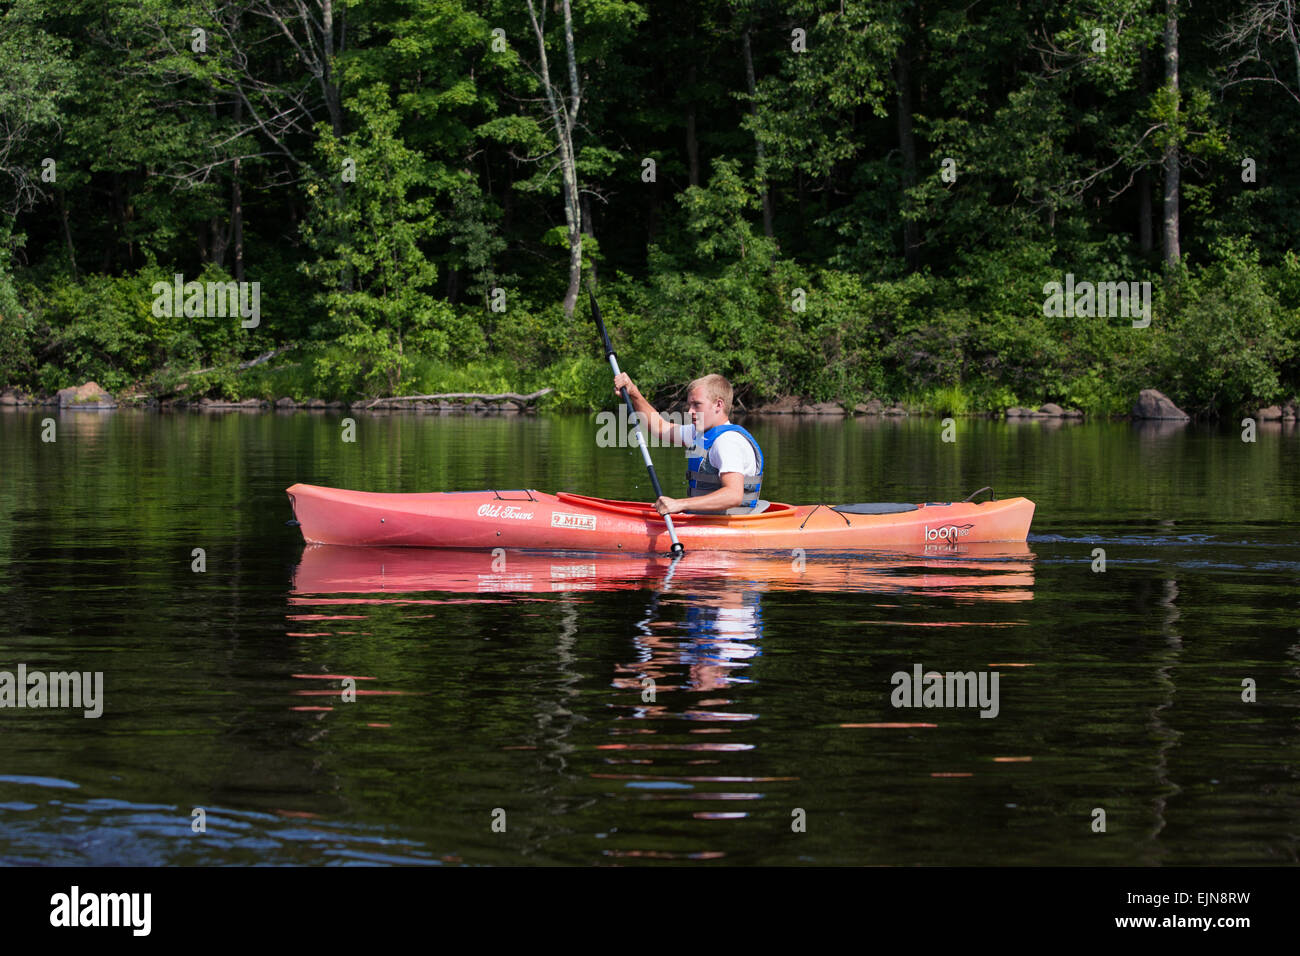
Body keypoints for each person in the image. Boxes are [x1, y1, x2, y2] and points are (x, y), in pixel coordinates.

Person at [611, 372, 764, 515]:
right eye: (690, 405)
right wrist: (633, 392)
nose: (690, 412)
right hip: (705, 522)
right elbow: (659, 426)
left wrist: (680, 504)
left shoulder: (727, 442)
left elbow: (733, 495)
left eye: (697, 404)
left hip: (728, 527)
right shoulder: (699, 433)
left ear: (718, 405)